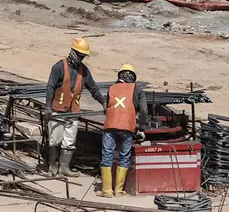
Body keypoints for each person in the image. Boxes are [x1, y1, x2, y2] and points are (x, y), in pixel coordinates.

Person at [45, 38, 106, 177]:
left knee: (69, 142)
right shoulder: (59, 67)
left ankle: (64, 168)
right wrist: (48, 106)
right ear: (72, 52)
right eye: (79, 55)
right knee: (55, 140)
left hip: (73, 112)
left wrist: (103, 102)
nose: (81, 58)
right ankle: (53, 166)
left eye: (83, 56)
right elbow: (50, 87)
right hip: (58, 111)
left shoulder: (83, 71)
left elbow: (93, 88)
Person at [99, 64, 150, 198]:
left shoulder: (111, 88)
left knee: (107, 154)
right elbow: (144, 110)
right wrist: (142, 128)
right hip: (127, 127)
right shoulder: (137, 90)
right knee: (124, 155)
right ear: (133, 77)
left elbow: (106, 107)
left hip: (110, 125)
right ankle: (119, 190)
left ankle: (106, 191)